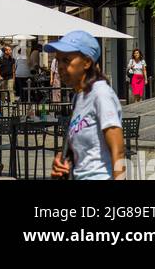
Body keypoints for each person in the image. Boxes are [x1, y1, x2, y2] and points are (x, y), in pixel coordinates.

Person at [47, 31, 125, 181]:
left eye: (66, 60)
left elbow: (118, 150)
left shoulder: (101, 93)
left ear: (87, 62)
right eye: (58, 60)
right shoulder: (79, 97)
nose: (60, 67)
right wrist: (63, 161)